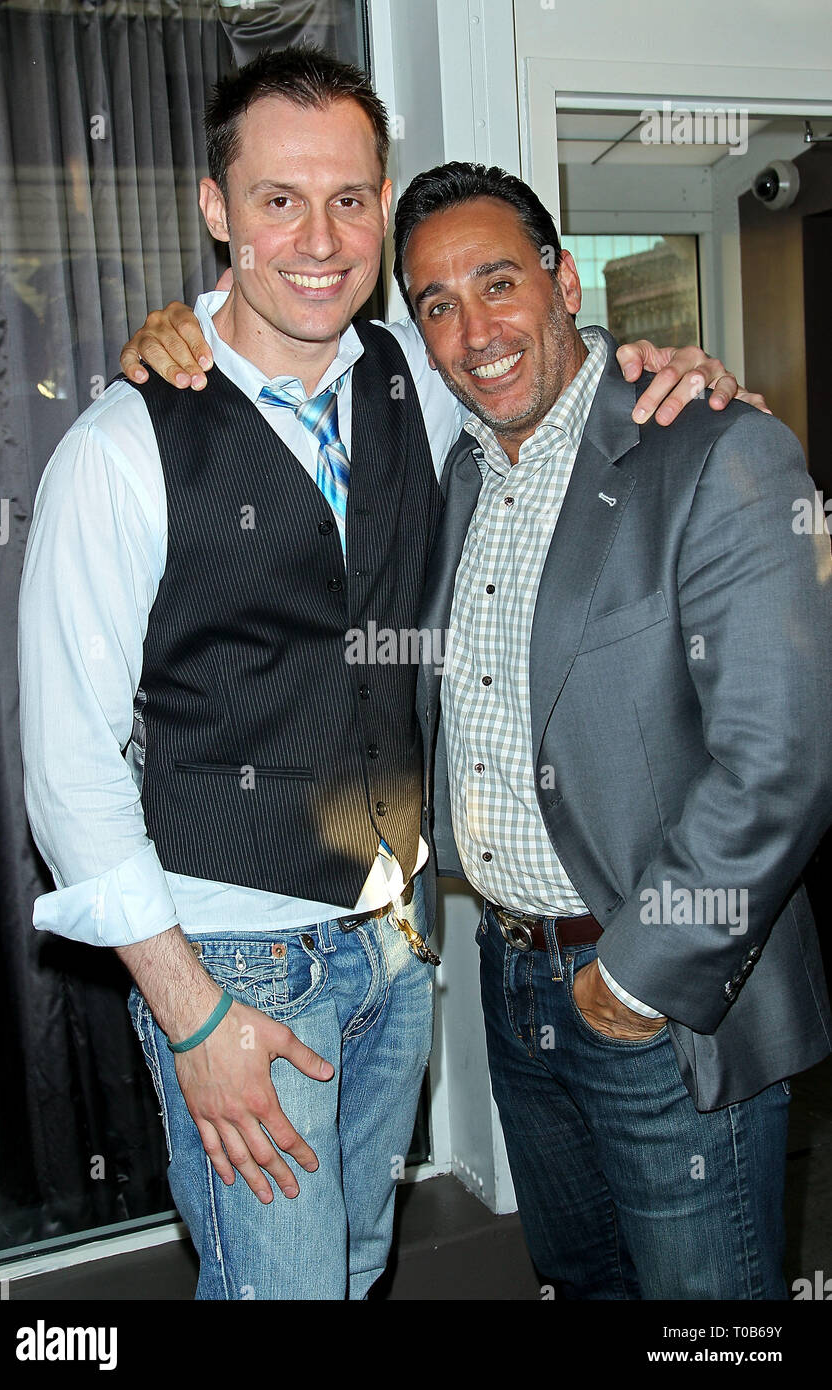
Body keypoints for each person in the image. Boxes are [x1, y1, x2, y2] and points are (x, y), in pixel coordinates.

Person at [20, 45, 757, 1302]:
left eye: (349, 198)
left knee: (352, 1270)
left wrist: (676, 370)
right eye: (277, 199)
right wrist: (191, 1017)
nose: (319, 236)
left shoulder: (412, 378)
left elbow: (541, 368)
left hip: (394, 953)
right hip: (235, 968)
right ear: (216, 212)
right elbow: (66, 770)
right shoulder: (118, 445)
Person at [393, 161, 832, 1299]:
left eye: (497, 283)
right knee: (582, 1286)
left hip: (656, 995)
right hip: (513, 981)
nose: (472, 329)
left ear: (563, 279)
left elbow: (781, 765)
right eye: (435, 305)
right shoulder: (457, 479)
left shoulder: (712, 448)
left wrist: (630, 982)